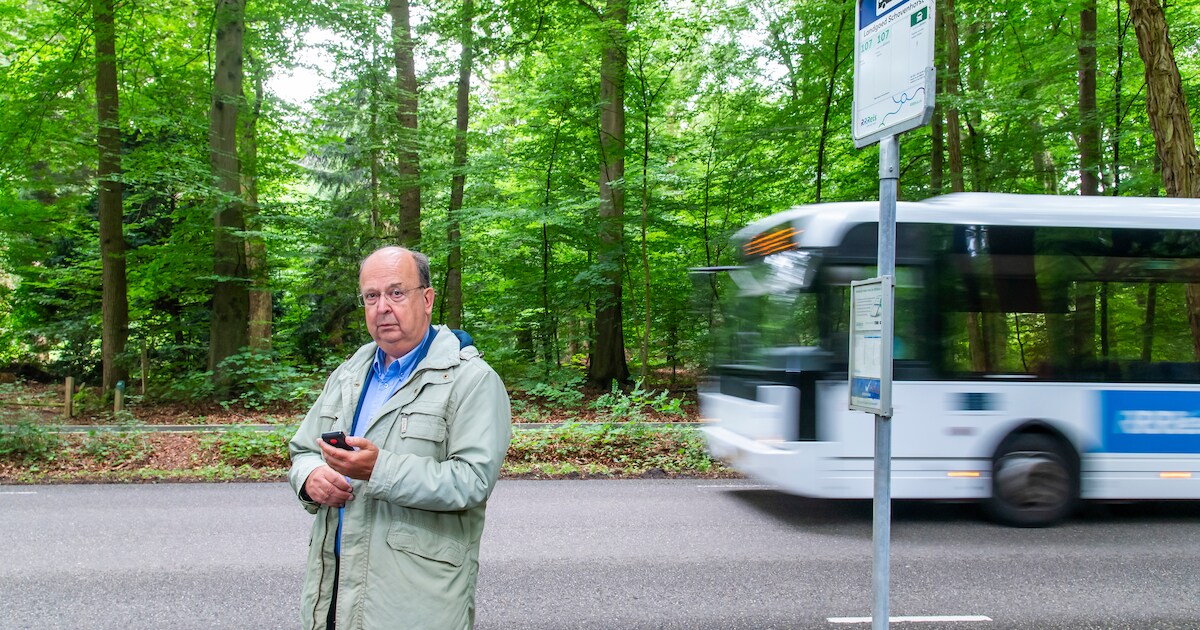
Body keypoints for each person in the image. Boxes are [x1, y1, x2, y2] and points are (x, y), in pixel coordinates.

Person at [288, 246, 512, 630]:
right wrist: (309, 478)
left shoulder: (471, 381)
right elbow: (304, 449)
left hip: (416, 603)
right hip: (335, 591)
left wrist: (380, 469)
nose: (382, 307)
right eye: (371, 296)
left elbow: (473, 482)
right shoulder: (348, 374)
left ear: (426, 299)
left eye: (396, 292)